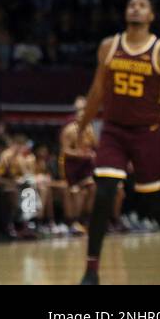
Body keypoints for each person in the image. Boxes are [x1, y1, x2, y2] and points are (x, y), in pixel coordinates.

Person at [76, 0, 160, 285]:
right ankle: (91, 271)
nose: (135, 7)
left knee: (156, 202)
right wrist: (82, 126)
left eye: (142, 5)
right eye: (131, 4)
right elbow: (96, 92)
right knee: (104, 191)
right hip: (114, 131)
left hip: (149, 133)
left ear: (152, 16)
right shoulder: (108, 46)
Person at [59, 95, 96, 234]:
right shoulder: (68, 130)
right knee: (76, 192)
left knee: (93, 187)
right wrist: (80, 154)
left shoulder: (90, 129)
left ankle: (87, 219)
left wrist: (92, 153)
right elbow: (65, 151)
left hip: (86, 167)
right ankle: (74, 221)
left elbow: (94, 146)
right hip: (71, 167)